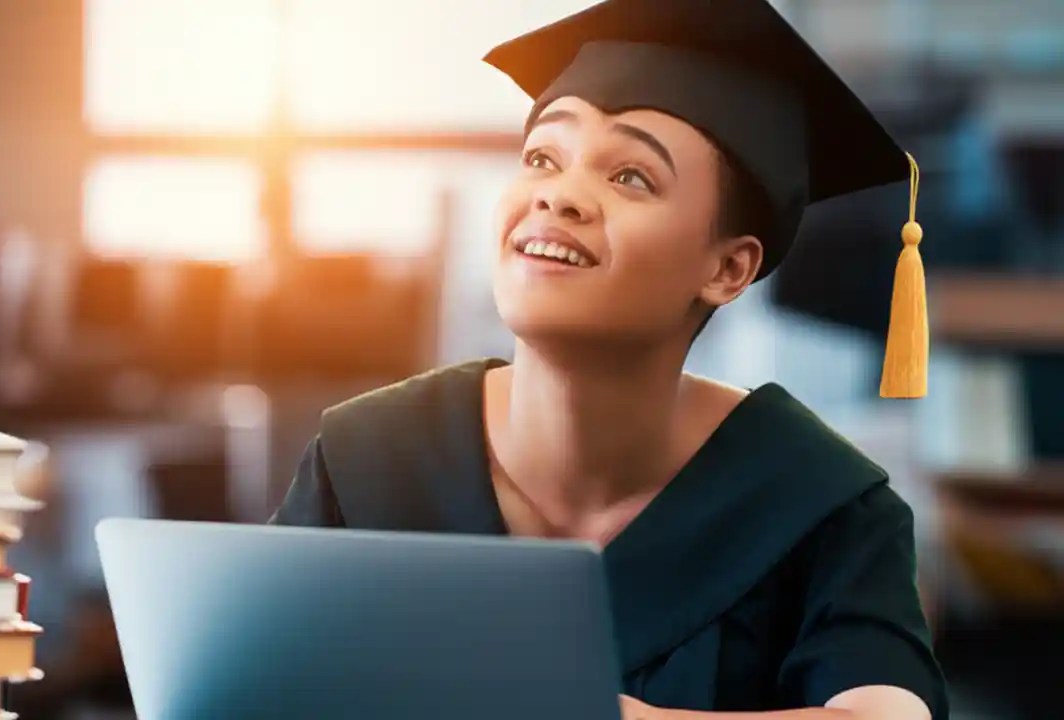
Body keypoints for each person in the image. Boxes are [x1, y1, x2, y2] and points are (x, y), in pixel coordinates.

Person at [270, 0, 948, 718]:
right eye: (542, 157)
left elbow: (886, 712)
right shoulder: (370, 459)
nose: (559, 196)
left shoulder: (817, 503)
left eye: (630, 177)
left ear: (728, 269)